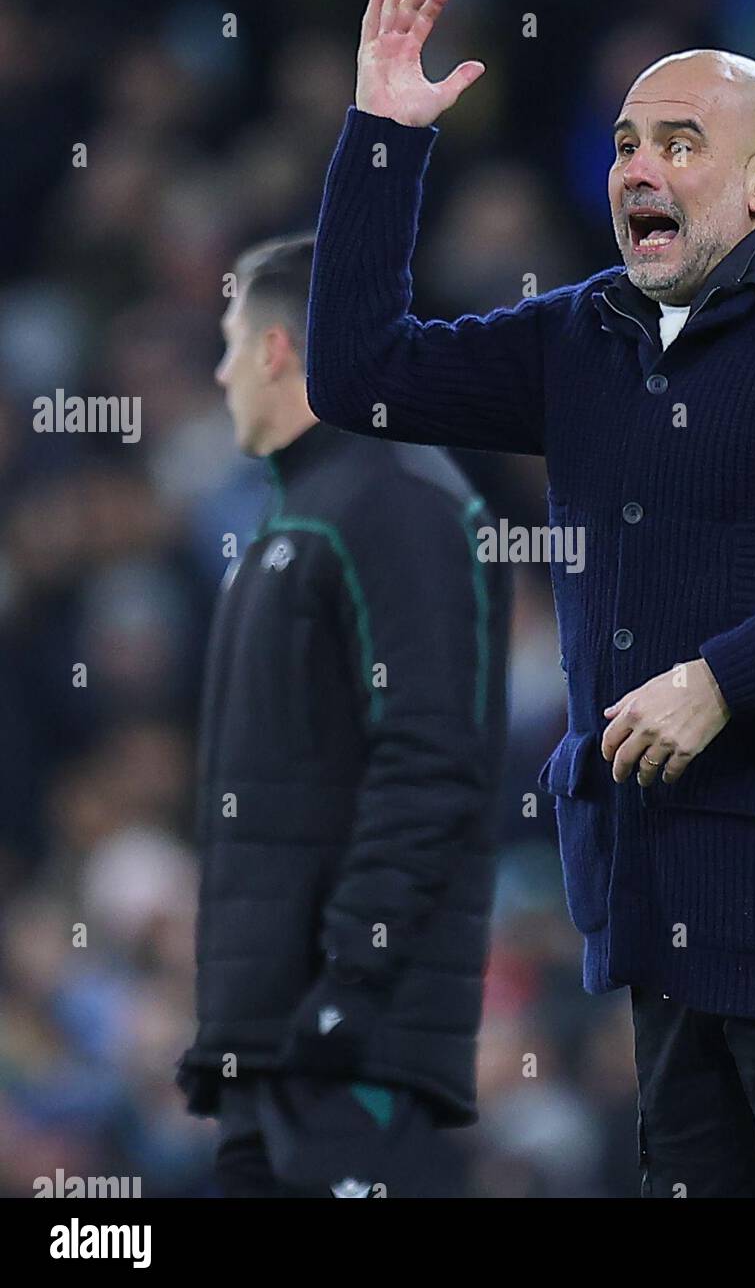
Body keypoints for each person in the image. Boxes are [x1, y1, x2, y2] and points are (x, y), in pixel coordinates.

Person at [305, 0, 755, 1198]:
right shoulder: (583, 334)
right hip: (659, 919)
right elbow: (360, 376)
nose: (640, 168)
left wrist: (724, 679)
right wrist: (384, 143)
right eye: (628, 143)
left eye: (680, 144)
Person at [175, 232, 511, 1197]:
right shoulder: (305, 511)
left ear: (278, 350)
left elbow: (431, 758)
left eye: (232, 341)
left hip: (353, 1048)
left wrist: (347, 991)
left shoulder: (395, 500)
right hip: (277, 1049)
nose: (221, 369)